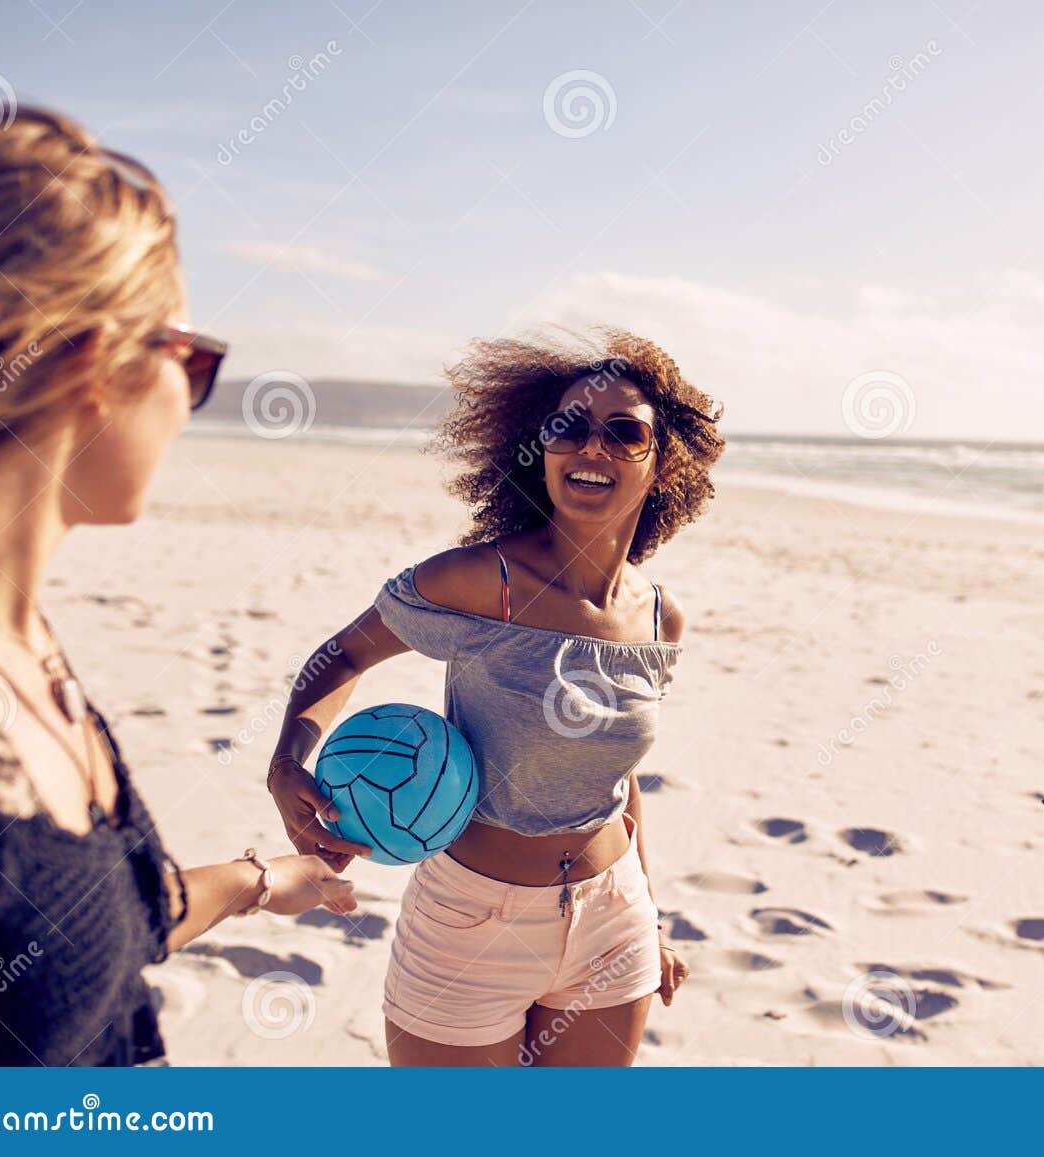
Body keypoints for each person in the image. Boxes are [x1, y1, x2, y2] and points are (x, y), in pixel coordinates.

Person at [0, 107, 356, 1067]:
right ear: (97, 365)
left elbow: (64, 934)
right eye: (193, 361)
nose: (190, 400)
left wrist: (258, 882)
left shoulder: (8, 638)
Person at [267, 332, 724, 1066]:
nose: (590, 447)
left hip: (614, 920)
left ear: (664, 461)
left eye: (624, 432)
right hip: (471, 919)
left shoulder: (658, 616)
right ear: (539, 448)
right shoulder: (484, 583)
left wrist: (651, 915)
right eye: (568, 427)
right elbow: (344, 652)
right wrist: (286, 759)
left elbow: (612, 775)